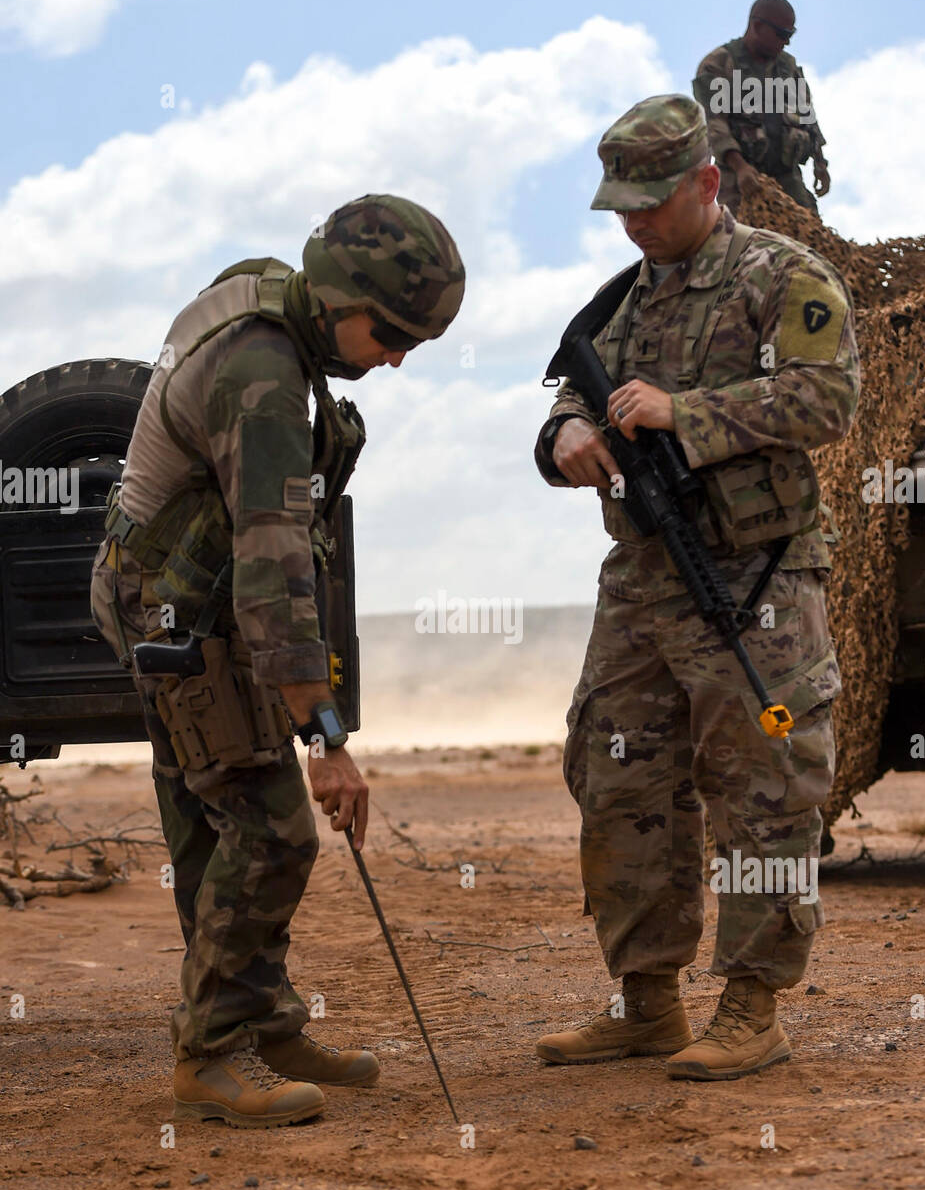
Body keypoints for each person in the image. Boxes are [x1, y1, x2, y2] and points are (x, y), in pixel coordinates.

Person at [91, 195, 465, 1127]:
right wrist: (325, 737)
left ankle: (258, 1022)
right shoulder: (264, 379)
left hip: (166, 591)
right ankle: (211, 1056)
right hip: (180, 606)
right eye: (391, 332)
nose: (399, 357)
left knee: (212, 818)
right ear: (339, 299)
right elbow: (274, 573)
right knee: (275, 829)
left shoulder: (270, 302)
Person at [533, 95, 859, 1081]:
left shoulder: (781, 276)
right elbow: (565, 395)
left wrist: (686, 413)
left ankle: (751, 1005)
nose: (632, 223)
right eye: (618, 207)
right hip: (640, 578)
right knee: (617, 773)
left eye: (650, 203)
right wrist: (563, 438)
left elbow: (826, 397)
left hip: (751, 571)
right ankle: (645, 1004)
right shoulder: (618, 303)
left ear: (706, 183)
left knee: (761, 785)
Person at [693, 0, 829, 215]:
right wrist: (740, 168)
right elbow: (714, 125)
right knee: (742, 241)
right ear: (757, 26)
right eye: (782, 34)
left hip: (787, 177)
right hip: (740, 178)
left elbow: (807, 115)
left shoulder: (787, 68)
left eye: (791, 34)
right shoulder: (719, 65)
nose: (787, 41)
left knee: (810, 241)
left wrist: (820, 163)